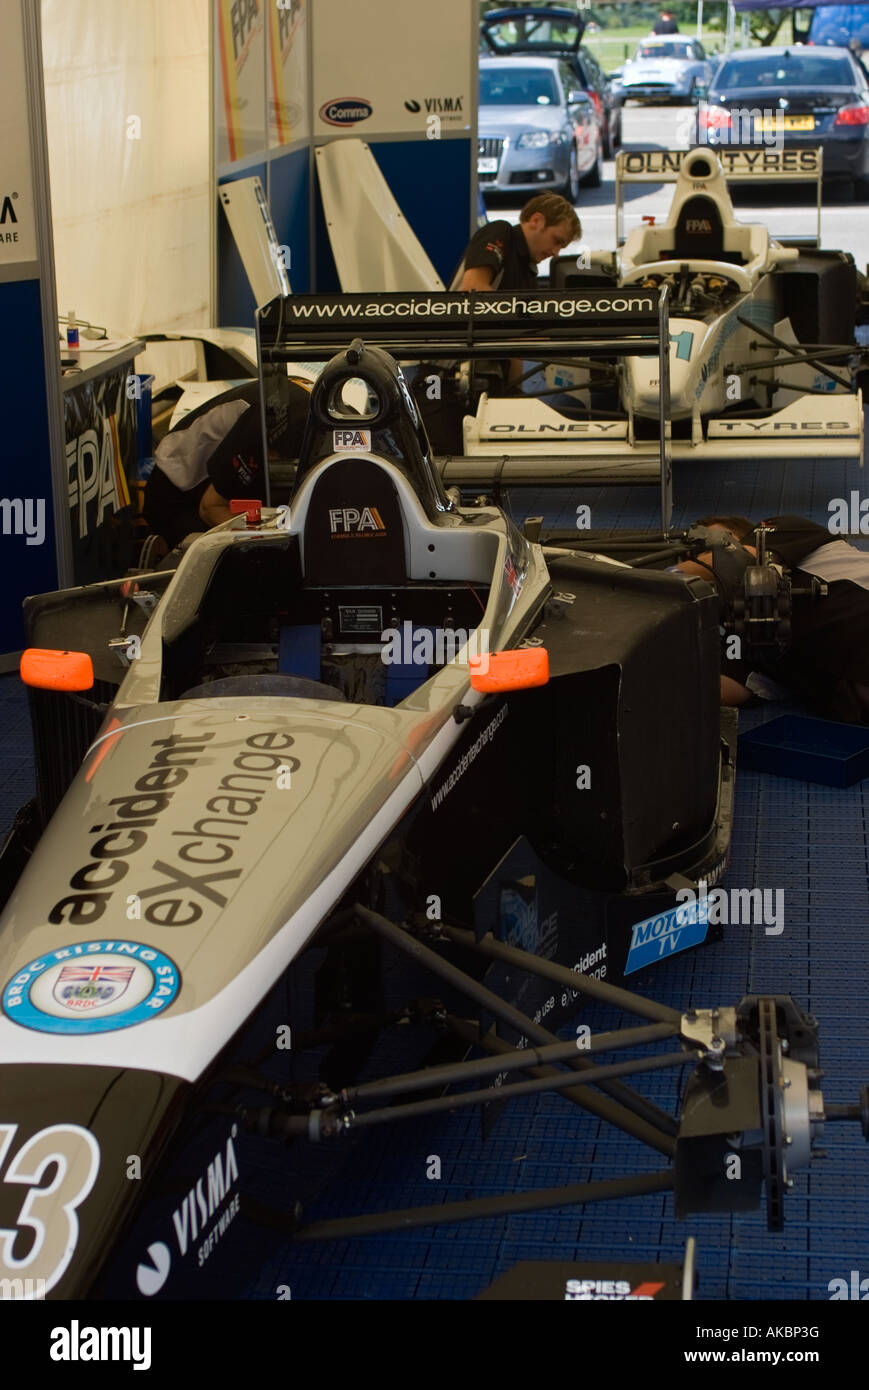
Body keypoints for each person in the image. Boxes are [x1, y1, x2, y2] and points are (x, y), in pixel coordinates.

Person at [676, 515, 869, 722]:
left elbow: (733, 559)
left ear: (737, 535)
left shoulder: (783, 529)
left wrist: (655, 581)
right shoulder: (743, 638)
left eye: (706, 546)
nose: (698, 559)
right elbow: (717, 688)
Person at [143, 375, 310, 549]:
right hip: (179, 494)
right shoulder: (269, 426)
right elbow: (211, 508)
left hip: (237, 470)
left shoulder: (322, 419)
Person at [450, 193, 581, 293]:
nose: (556, 253)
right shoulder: (500, 231)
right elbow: (473, 289)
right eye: (556, 241)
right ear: (536, 221)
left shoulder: (528, 270)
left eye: (561, 247)